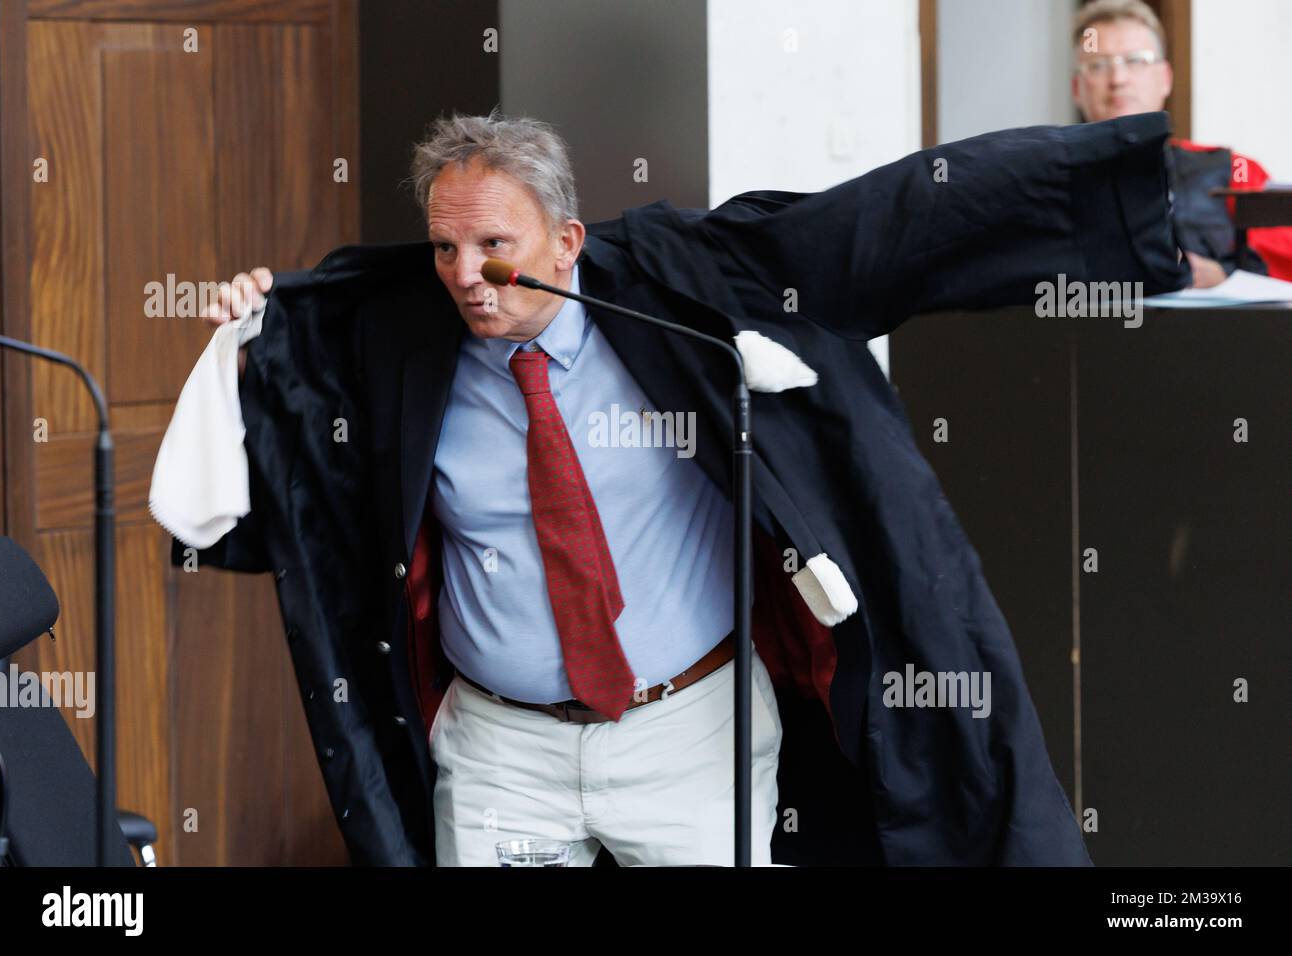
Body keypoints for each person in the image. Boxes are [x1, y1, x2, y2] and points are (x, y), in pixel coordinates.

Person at [160, 108, 1189, 867]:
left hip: (690, 729)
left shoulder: (677, 295)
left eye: (492, 246)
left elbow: (885, 224)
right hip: (502, 745)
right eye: (443, 245)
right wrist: (263, 325)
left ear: (567, 240)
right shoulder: (397, 341)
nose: (463, 273)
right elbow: (302, 463)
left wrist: (1125, 200)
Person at [1071, 0, 1292, 286]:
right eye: (1098, 65)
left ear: (1165, 78)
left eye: (1136, 60)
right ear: (1077, 88)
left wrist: (1222, 277)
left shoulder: (1234, 170)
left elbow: (1284, 267)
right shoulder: (1047, 179)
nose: (1119, 79)